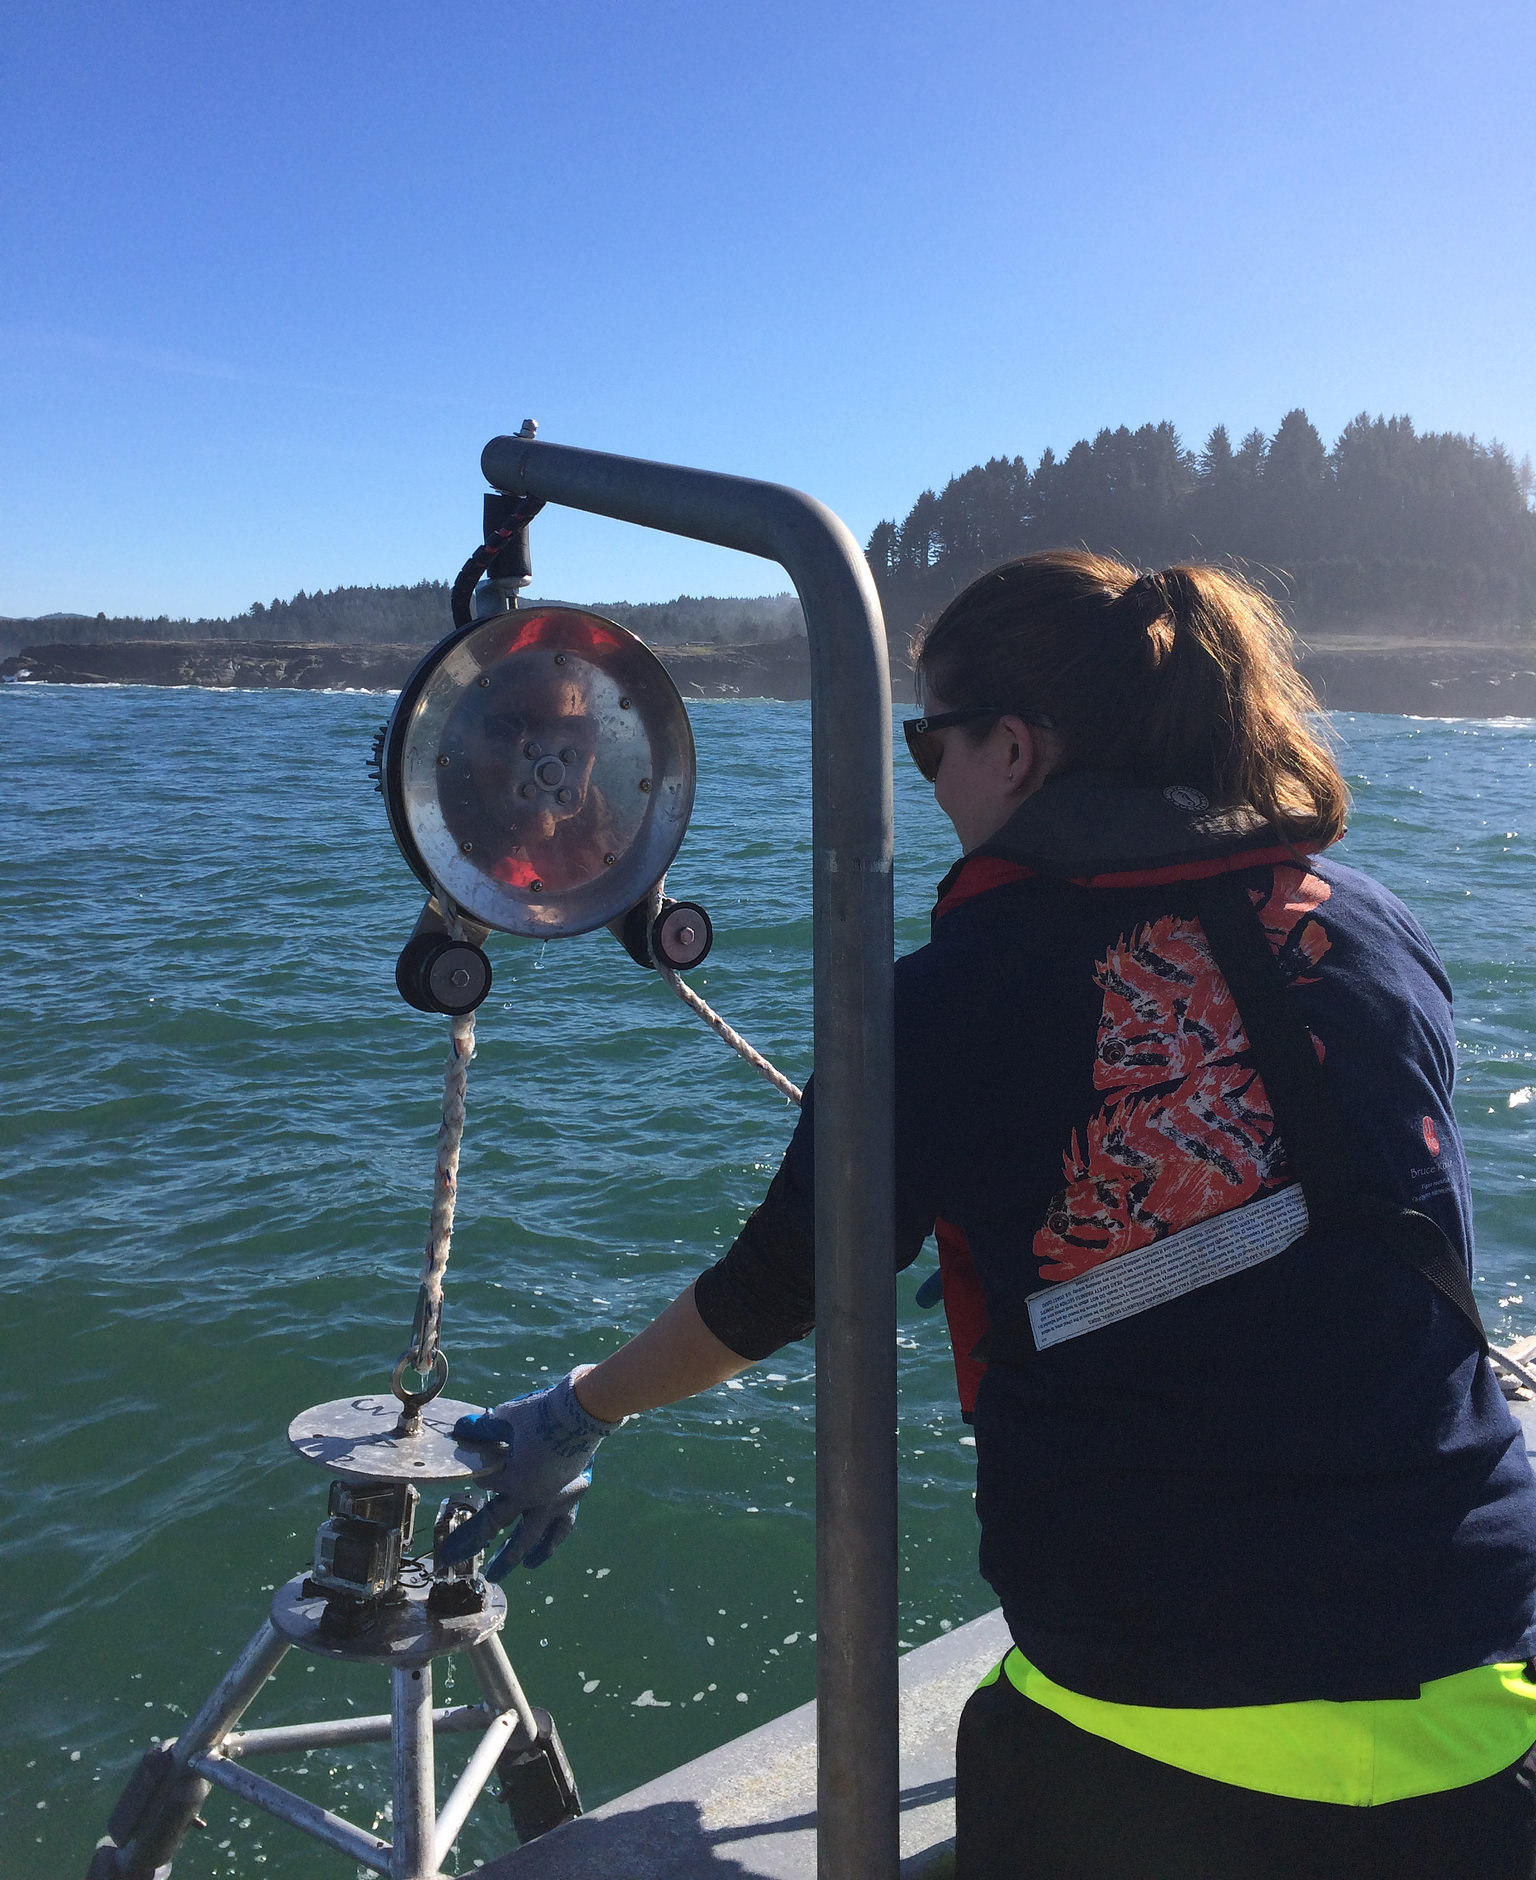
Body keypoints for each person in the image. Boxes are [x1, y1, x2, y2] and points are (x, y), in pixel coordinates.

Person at [442, 550, 1536, 1879]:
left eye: (930, 744)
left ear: (1013, 749)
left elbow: (779, 1285)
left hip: (1154, 1713)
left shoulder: (946, 1001)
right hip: (1487, 1676)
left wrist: (577, 1413)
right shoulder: (1370, 922)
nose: (927, 777)